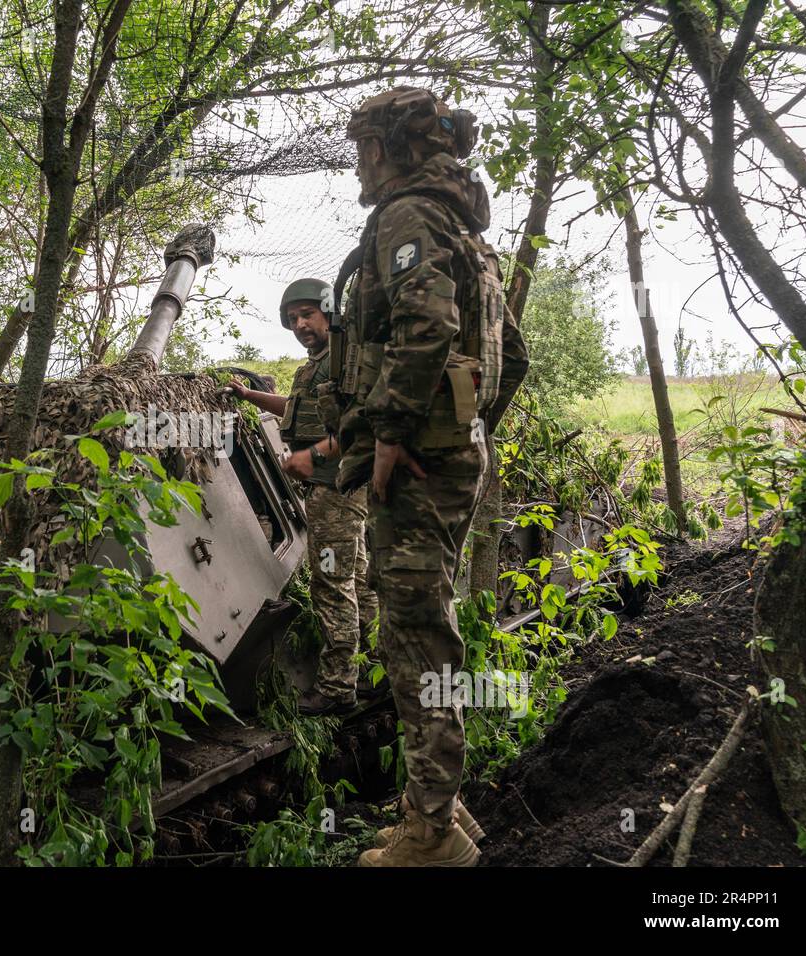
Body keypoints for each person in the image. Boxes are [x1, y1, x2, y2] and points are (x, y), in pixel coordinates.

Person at [326, 87, 529, 866]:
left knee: (414, 639)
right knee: (425, 630)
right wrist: (465, 433)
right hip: (449, 460)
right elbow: (514, 354)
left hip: (417, 466)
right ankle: (433, 804)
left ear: (383, 148)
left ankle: (433, 836)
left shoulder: (409, 216)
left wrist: (395, 434)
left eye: (361, 151)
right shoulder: (465, 231)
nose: (357, 168)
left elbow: (429, 328)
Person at [227, 279, 379, 716]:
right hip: (334, 489)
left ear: (329, 312)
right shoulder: (315, 366)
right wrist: (247, 394)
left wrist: (313, 457)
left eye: (307, 314)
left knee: (332, 585)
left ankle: (337, 688)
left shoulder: (345, 361)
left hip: (337, 488)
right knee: (361, 583)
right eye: (292, 318)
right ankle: (373, 673)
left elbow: (364, 424)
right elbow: (295, 411)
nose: (299, 324)